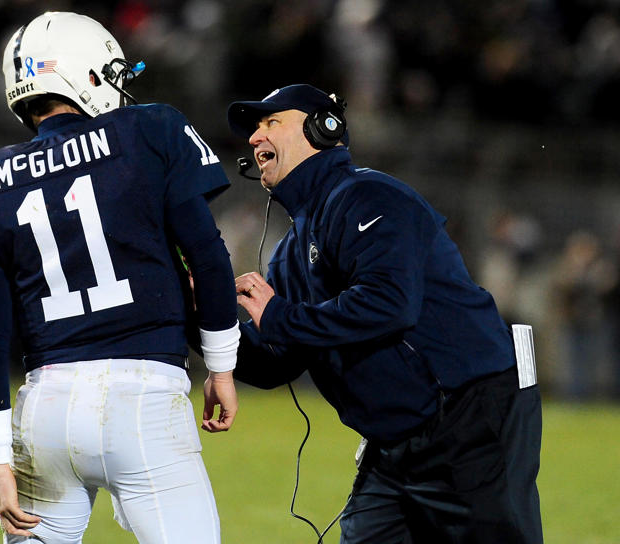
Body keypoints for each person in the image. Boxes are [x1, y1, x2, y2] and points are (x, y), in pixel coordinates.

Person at [0, 12, 240, 544]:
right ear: (90, 75)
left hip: (44, 410)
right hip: (144, 400)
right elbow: (209, 258)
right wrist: (221, 365)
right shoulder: (150, 129)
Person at [226, 84, 543, 543]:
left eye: (271, 122)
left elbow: (388, 304)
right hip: (394, 443)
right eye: (255, 128)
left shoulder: (368, 195)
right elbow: (277, 359)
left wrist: (278, 316)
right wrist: (200, 318)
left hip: (468, 416)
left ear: (323, 129)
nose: (255, 137)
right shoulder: (294, 249)